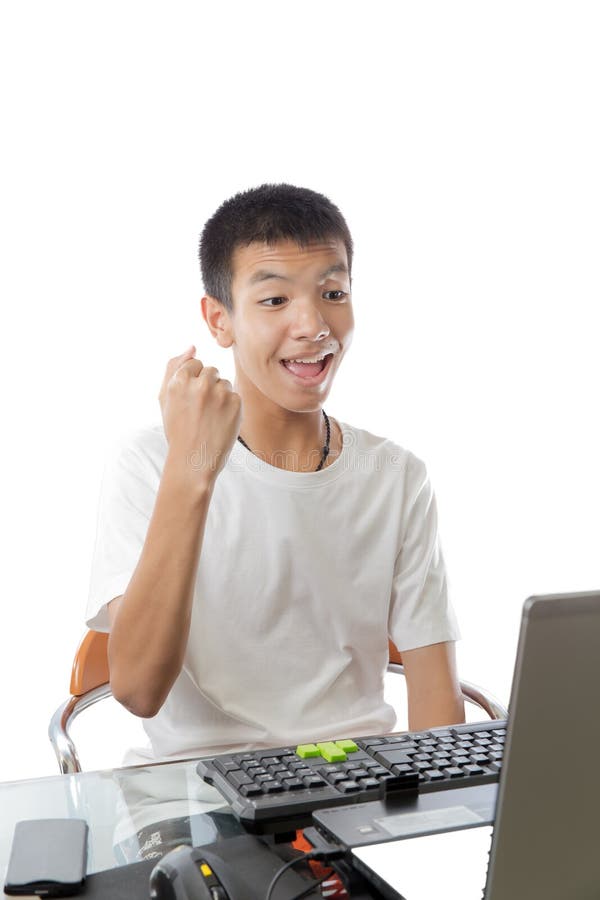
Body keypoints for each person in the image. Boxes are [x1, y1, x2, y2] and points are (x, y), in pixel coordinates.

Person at [86, 182, 464, 778]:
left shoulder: (397, 476)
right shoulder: (149, 462)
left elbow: (438, 705)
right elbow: (137, 689)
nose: (313, 325)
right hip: (196, 791)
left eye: (333, 293)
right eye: (274, 300)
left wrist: (434, 809)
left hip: (356, 783)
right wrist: (194, 469)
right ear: (220, 320)